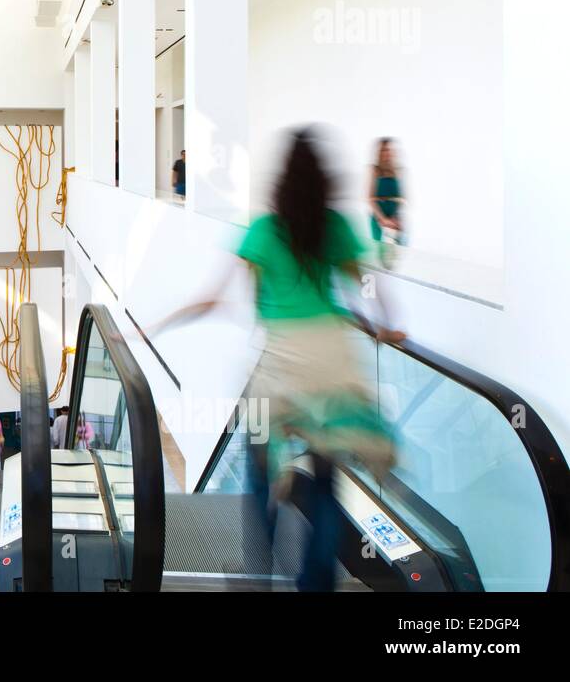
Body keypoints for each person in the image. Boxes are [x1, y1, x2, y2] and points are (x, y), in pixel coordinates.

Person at [150, 127, 401, 591]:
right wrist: (386, 327)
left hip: (282, 363)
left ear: (282, 181)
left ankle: (259, 571)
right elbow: (367, 288)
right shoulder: (336, 229)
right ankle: (315, 582)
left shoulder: (264, 231)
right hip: (332, 359)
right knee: (325, 478)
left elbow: (212, 297)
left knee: (259, 468)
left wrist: (158, 324)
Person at [368, 137, 406, 268]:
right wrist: (383, 219)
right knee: (381, 259)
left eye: (389, 149)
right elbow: (370, 198)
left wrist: (394, 219)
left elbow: (403, 198)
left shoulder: (398, 170)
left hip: (395, 221)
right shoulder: (374, 170)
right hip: (379, 219)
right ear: (379, 152)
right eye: (384, 149)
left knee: (396, 259)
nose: (387, 152)